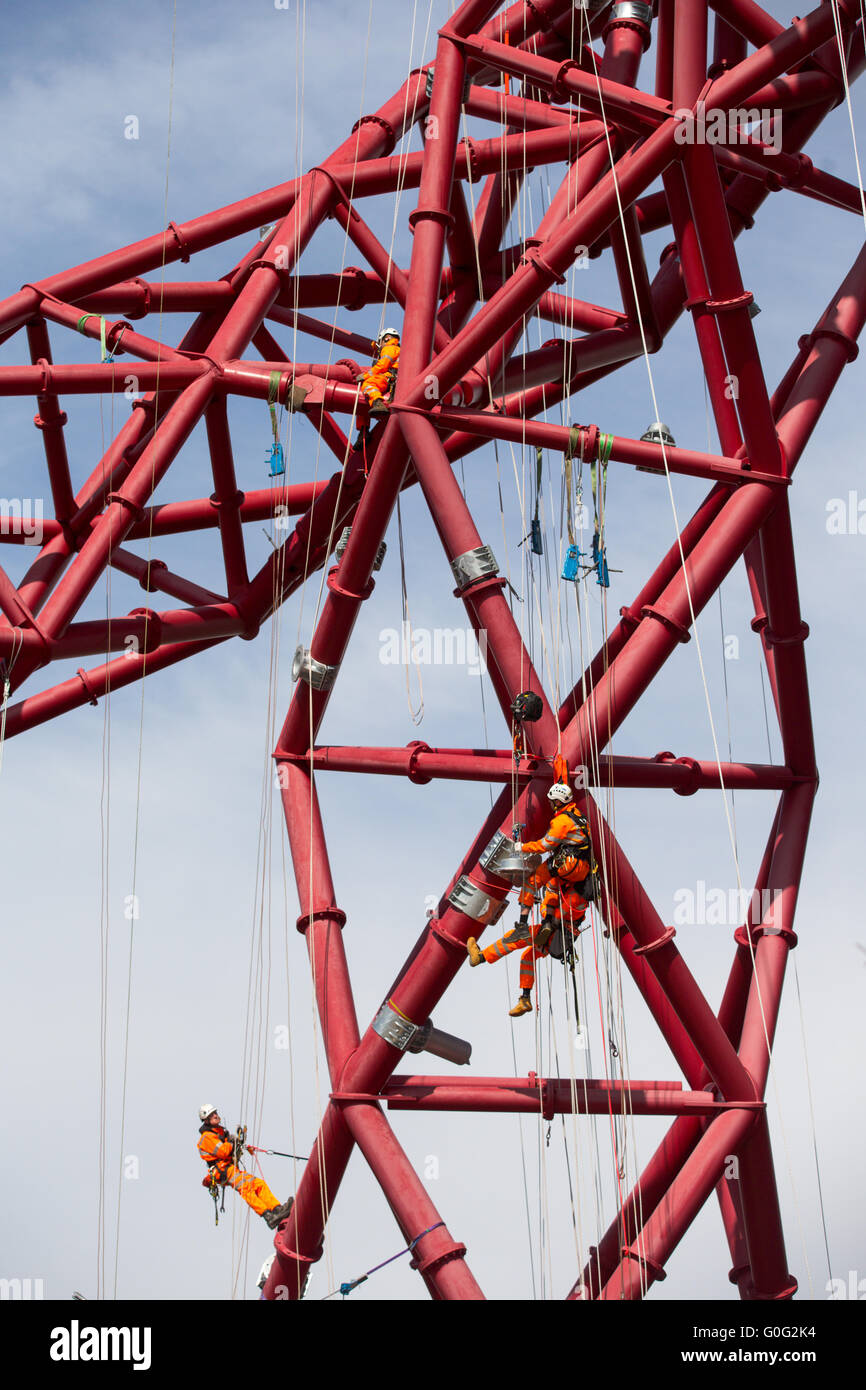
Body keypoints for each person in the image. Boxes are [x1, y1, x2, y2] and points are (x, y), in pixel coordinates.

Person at [466, 782, 593, 1017]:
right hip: (568, 915)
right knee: (528, 955)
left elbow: (545, 845)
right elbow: (557, 897)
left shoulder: (561, 822)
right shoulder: (578, 816)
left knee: (531, 887)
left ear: (557, 801)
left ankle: (487, 952)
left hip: (567, 878)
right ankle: (525, 999)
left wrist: (521, 847)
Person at [197, 1104, 293, 1229]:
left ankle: (277, 1209)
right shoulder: (207, 1137)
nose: (215, 1115)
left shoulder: (220, 1133)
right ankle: (268, 1216)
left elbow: (229, 1150)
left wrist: (236, 1142)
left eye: (215, 1113)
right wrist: (233, 1142)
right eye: (211, 1115)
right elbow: (224, 1151)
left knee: (259, 1184)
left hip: (229, 1168)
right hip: (223, 1170)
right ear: (206, 1120)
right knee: (246, 1188)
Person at [359, 327, 400, 411]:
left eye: (380, 342)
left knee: (369, 384)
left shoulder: (389, 348)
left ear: (386, 338)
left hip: (391, 377)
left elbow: (383, 365)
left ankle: (378, 403)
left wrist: (365, 376)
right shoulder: (398, 349)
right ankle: (363, 425)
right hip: (396, 379)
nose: (380, 346)